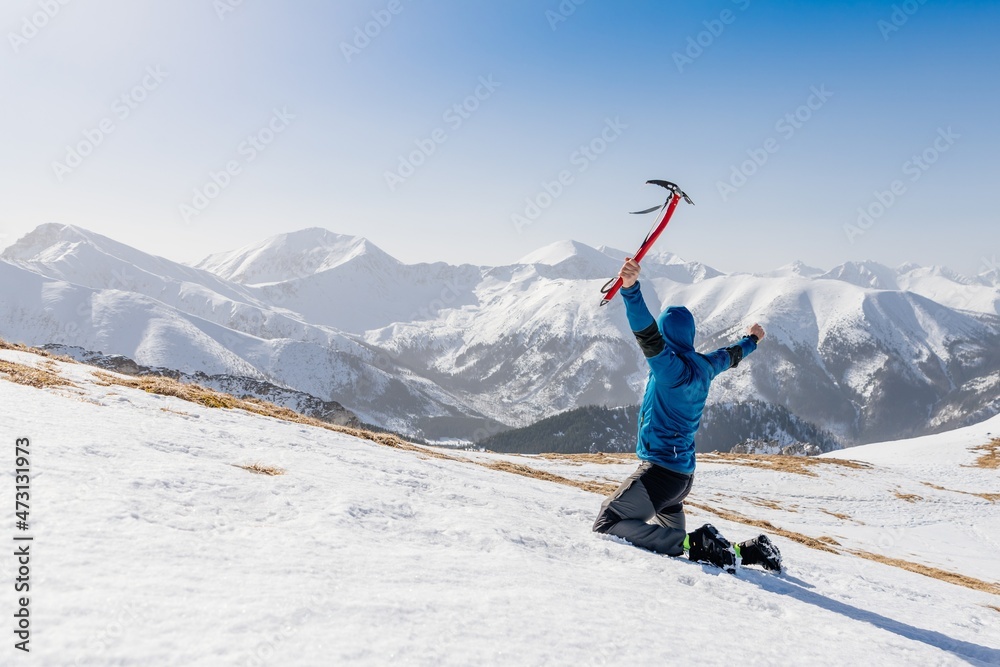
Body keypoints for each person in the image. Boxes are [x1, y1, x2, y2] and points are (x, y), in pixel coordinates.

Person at [592, 258, 782, 572]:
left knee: (607, 521)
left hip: (661, 474)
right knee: (672, 539)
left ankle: (696, 542)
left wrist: (630, 289)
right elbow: (730, 356)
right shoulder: (704, 366)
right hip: (681, 478)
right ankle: (747, 551)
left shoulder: (670, 368)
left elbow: (646, 332)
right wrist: (752, 339)